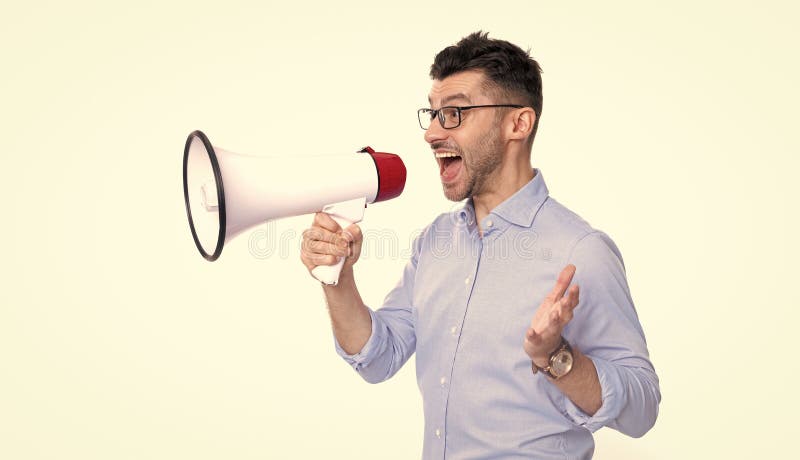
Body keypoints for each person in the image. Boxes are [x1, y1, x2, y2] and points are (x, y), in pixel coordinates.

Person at [300, 31, 660, 459]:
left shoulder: (580, 250)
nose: (432, 133)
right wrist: (337, 279)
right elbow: (378, 358)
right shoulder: (435, 242)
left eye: (454, 114)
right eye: (432, 114)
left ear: (517, 124)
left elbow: (642, 410)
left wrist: (555, 357)